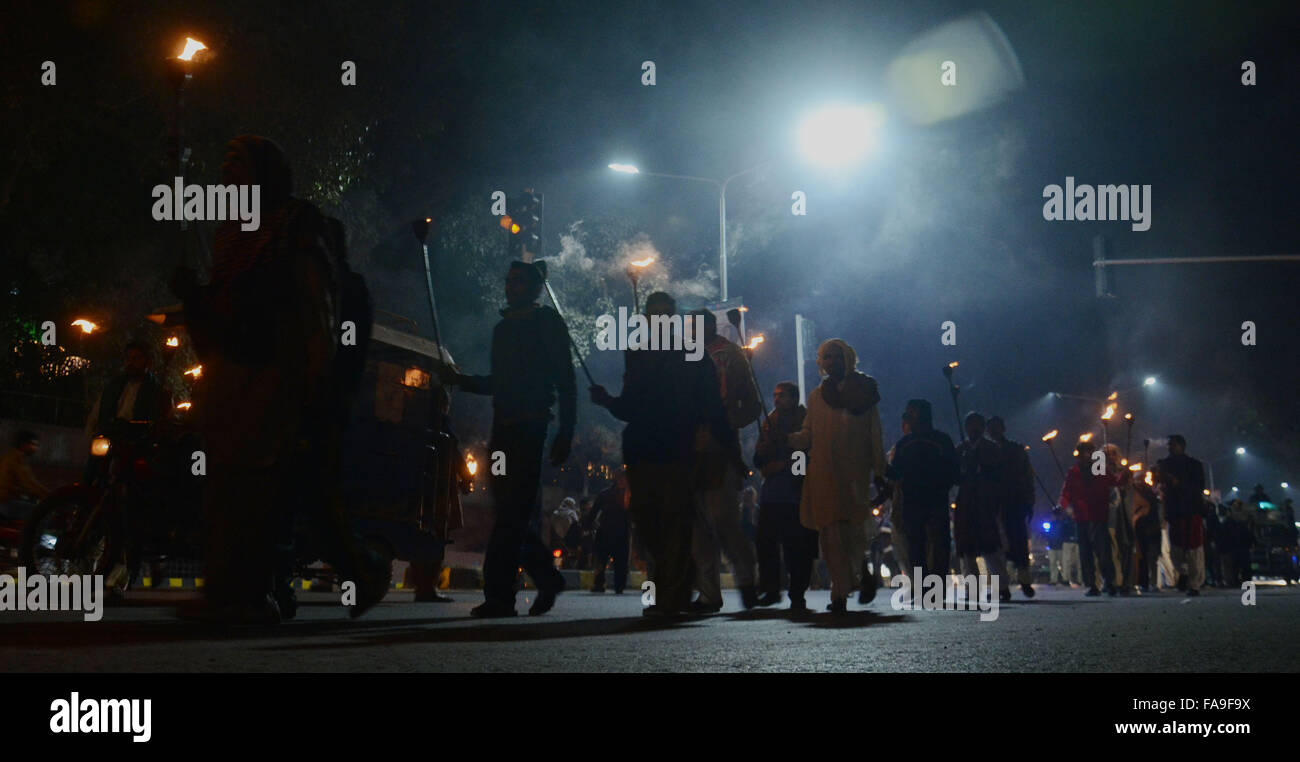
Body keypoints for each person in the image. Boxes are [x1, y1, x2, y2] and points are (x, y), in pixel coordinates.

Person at [172, 135, 388, 624]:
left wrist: (316, 382)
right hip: (236, 386)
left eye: (239, 170)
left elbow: (316, 308)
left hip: (279, 381)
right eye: (224, 172)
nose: (228, 180)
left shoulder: (295, 225)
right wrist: (194, 299)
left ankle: (252, 594)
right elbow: (221, 325)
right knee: (234, 493)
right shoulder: (230, 237)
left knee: (270, 495)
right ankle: (233, 593)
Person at [436, 260, 576, 617]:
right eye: (508, 280)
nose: (510, 287)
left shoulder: (547, 323)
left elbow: (566, 380)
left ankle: (499, 595)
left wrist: (566, 429)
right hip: (504, 428)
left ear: (534, 287)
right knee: (509, 513)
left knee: (512, 513)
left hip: (532, 427)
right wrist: (461, 379)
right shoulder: (502, 329)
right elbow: (497, 383)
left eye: (518, 281)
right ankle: (545, 577)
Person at [590, 292, 731, 618]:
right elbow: (630, 406)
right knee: (648, 523)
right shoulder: (636, 353)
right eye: (653, 314)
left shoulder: (693, 354)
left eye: (664, 313)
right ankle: (671, 590)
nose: (658, 319)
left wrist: (717, 444)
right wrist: (607, 401)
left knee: (676, 525)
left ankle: (673, 596)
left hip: (677, 450)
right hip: (642, 449)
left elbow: (712, 405)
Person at [785, 339, 886, 614]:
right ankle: (840, 592)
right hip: (823, 474)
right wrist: (789, 439)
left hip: (854, 473)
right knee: (830, 534)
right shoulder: (817, 397)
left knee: (852, 533)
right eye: (826, 358)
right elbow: (809, 434)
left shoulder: (865, 391)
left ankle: (858, 575)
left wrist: (880, 470)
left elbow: (874, 433)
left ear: (847, 359)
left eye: (835, 357)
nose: (830, 362)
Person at [688, 309, 760, 613]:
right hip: (688, 449)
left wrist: (729, 423)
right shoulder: (682, 356)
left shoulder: (730, 355)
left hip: (720, 446)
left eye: (697, 325)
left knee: (723, 520)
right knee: (696, 524)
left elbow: (752, 404)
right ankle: (708, 593)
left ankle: (747, 581)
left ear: (708, 325)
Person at [753, 381, 817, 612]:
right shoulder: (770, 421)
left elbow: (804, 459)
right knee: (765, 543)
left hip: (795, 496)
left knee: (796, 548)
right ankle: (770, 589)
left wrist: (783, 466)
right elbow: (758, 458)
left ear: (793, 398)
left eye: (781, 395)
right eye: (775, 395)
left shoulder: (804, 422)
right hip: (771, 495)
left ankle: (797, 592)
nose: (777, 399)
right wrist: (763, 457)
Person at [884, 399, 958, 583]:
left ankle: (936, 585)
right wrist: (880, 465)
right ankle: (923, 585)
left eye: (912, 413)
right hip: (912, 501)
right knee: (915, 545)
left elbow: (954, 470)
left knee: (939, 543)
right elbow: (896, 473)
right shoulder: (904, 444)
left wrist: (943, 483)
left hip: (935, 499)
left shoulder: (941, 441)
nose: (909, 417)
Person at [407, 384, 470, 603]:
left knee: (420, 535)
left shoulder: (415, 420)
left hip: (418, 488)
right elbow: (454, 453)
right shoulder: (442, 425)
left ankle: (422, 587)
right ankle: (427, 588)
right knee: (437, 537)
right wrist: (467, 478)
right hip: (439, 490)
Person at [954, 413, 1013, 602]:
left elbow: (999, 476)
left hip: (986, 502)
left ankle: (1001, 586)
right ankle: (972, 588)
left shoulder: (991, 449)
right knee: (966, 548)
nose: (973, 429)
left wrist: (979, 466)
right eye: (969, 425)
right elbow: (955, 474)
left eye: (976, 425)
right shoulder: (961, 449)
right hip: (966, 502)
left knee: (990, 546)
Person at [1059, 440, 1121, 596]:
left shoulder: (1099, 468)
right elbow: (1066, 494)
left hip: (1098, 516)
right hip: (1081, 517)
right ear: (1079, 455)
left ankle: (1109, 582)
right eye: (1085, 452)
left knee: (1103, 552)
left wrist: (1124, 475)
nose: (1088, 455)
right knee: (1085, 553)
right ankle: (1091, 584)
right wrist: (1063, 507)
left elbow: (1113, 482)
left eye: (1090, 452)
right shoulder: (1073, 472)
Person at [987, 416, 1036, 598]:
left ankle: (1025, 581)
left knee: (1019, 544)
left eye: (997, 427)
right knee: (996, 547)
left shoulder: (1016, 449)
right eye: (991, 428)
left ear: (1003, 428)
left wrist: (1029, 499)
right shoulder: (985, 450)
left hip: (1014, 502)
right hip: (992, 504)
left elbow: (1028, 475)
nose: (994, 431)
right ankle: (1002, 587)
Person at [1154, 435, 1206, 596]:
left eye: (1173, 445)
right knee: (1176, 547)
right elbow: (1158, 483)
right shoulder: (1164, 465)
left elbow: (1198, 486)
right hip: (1174, 511)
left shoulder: (1194, 465)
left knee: (1194, 548)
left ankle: (1194, 584)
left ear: (1182, 446)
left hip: (1191, 509)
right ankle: (1183, 572)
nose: (1170, 448)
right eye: (1169, 445)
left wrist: (1179, 483)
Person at [1102, 444, 1137, 595]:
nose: (1111, 456)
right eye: (1106, 454)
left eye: (1113, 453)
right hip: (1107, 516)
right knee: (1108, 550)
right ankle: (1112, 581)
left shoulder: (1124, 471)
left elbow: (1128, 491)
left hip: (1123, 516)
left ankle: (1126, 583)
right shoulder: (1099, 471)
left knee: (1126, 548)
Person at [589, 469, 631, 594]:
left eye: (624, 478)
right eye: (620, 478)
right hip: (605, 532)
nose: (622, 481)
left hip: (622, 534)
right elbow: (594, 512)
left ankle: (619, 586)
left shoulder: (629, 496)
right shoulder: (605, 494)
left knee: (621, 563)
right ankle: (598, 584)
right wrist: (588, 525)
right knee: (601, 560)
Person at [0, 430, 49, 521]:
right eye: (32, 444)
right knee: (44, 513)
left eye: (36, 445)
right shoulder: (17, 459)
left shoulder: (9, 456)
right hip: (6, 502)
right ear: (23, 444)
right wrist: (51, 496)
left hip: (7, 500)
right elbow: (30, 484)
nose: (35, 448)